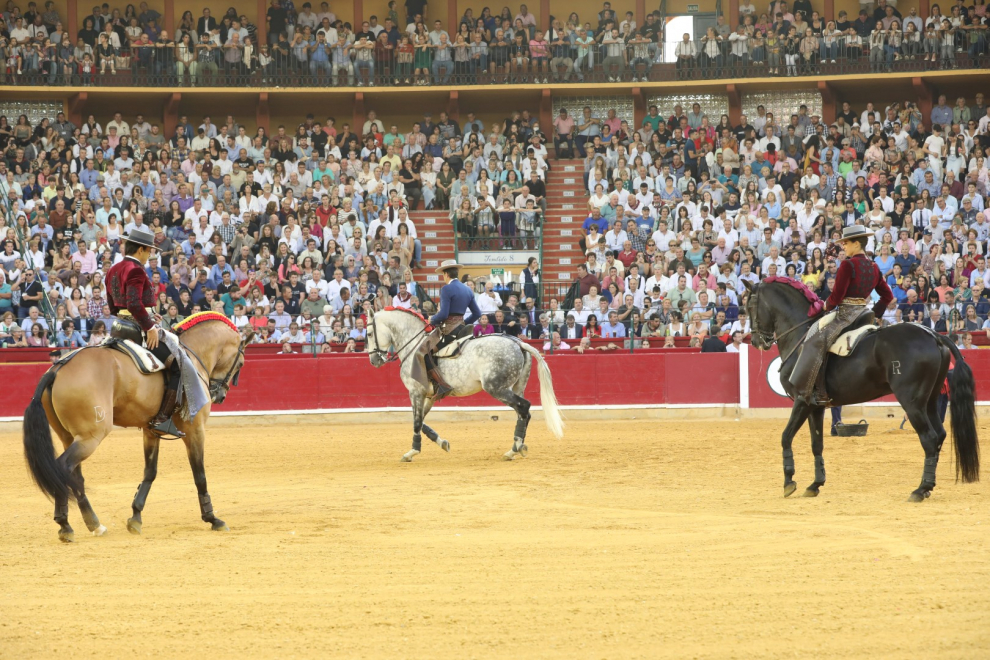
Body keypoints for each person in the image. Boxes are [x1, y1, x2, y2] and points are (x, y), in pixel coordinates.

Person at [789, 225, 893, 405]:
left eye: (845, 243)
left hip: (845, 316)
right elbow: (888, 296)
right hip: (865, 315)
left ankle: (819, 391)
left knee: (815, 342)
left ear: (856, 243)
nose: (843, 246)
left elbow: (836, 298)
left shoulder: (848, 264)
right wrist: (876, 315)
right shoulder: (874, 267)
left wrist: (823, 306)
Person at [105, 227, 184, 437]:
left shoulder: (113, 270)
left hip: (118, 329)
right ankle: (162, 419)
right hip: (136, 331)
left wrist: (149, 315)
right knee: (176, 365)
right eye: (149, 250)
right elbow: (133, 303)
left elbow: (115, 307)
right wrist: (148, 326)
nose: (151, 254)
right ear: (141, 249)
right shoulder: (136, 270)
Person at [411, 259, 481, 400]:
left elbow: (443, 314)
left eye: (443, 274)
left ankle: (442, 385)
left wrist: (432, 319)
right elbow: (477, 314)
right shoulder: (467, 289)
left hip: (448, 331)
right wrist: (463, 323)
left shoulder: (446, 289)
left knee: (423, 352)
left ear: (445, 274)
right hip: (462, 330)